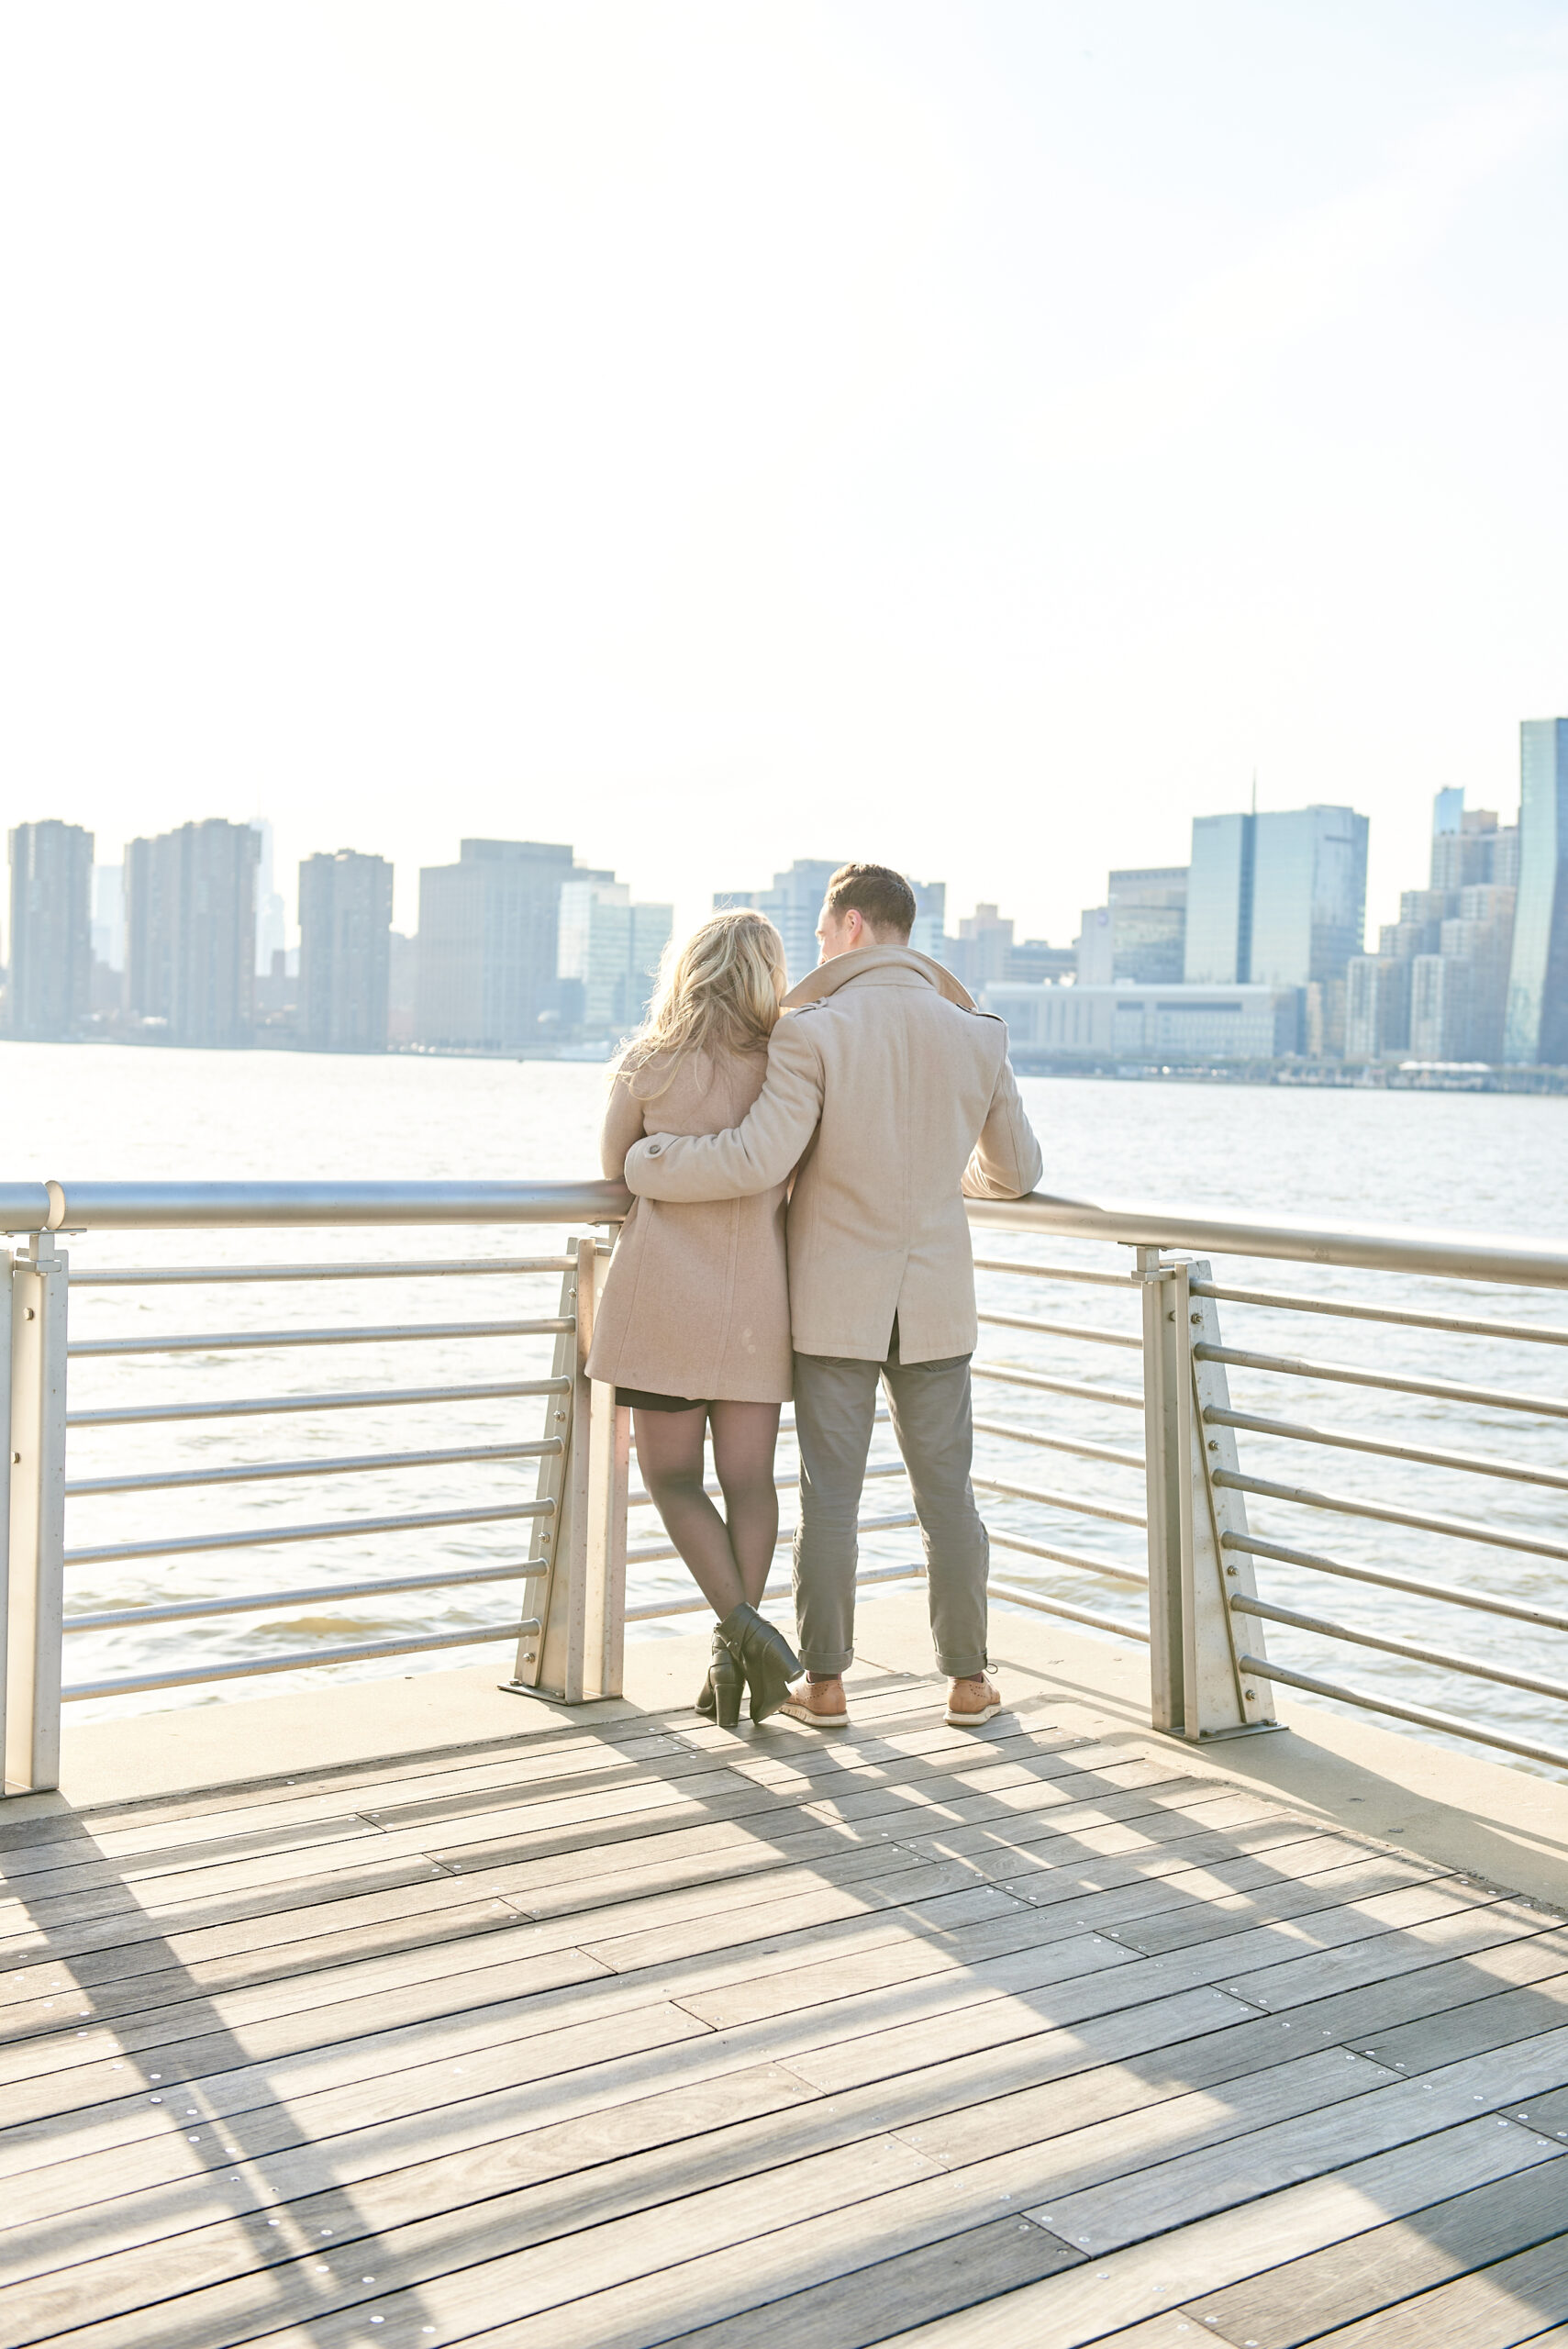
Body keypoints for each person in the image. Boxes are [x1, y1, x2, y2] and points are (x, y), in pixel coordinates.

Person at [622, 862, 1044, 1731]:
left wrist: (645, 1164)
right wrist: (936, 1177)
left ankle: (825, 1684)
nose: (814, 949)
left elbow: (754, 1160)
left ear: (850, 926)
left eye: (820, 932)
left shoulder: (812, 1031)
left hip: (831, 1301)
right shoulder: (978, 1033)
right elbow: (1016, 1172)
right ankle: (967, 1681)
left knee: (830, 1500)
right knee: (948, 1498)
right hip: (935, 1302)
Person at [587, 907, 803, 1727]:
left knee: (673, 1482)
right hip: (756, 1304)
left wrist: (658, 1158)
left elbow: (613, 1168)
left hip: (662, 1305)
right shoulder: (788, 1062)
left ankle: (746, 1634)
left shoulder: (649, 1061)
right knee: (750, 1484)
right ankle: (743, 1650)